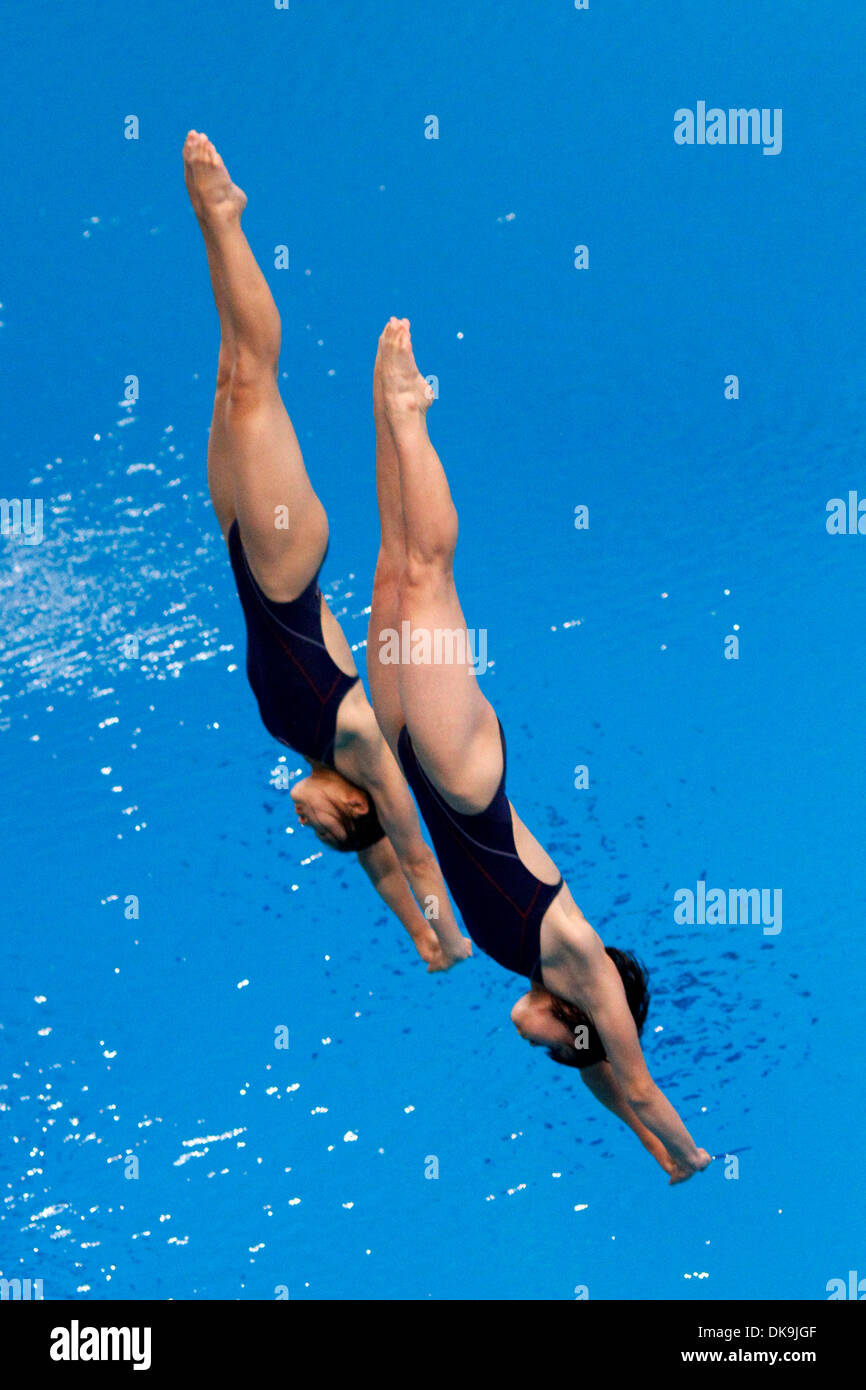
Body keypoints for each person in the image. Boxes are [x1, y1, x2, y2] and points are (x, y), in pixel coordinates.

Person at [367, 317, 711, 1182]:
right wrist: (684, 1153)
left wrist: (642, 1147)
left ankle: (385, 415)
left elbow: (593, 1073)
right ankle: (412, 410)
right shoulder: (579, 961)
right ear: (591, 1019)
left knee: (390, 571)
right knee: (429, 576)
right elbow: (631, 1083)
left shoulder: (537, 972)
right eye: (570, 1046)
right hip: (463, 777)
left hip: (417, 762)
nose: (541, 1042)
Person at [182, 132, 471, 972]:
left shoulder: (310, 749)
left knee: (229, 375)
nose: (303, 826)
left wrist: (414, 936)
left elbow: (377, 861)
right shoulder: (359, 746)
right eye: (323, 829)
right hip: (285, 558)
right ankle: (224, 217)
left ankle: (216, 224)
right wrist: (445, 931)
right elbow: (408, 854)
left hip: (244, 551)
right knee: (253, 379)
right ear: (352, 804)